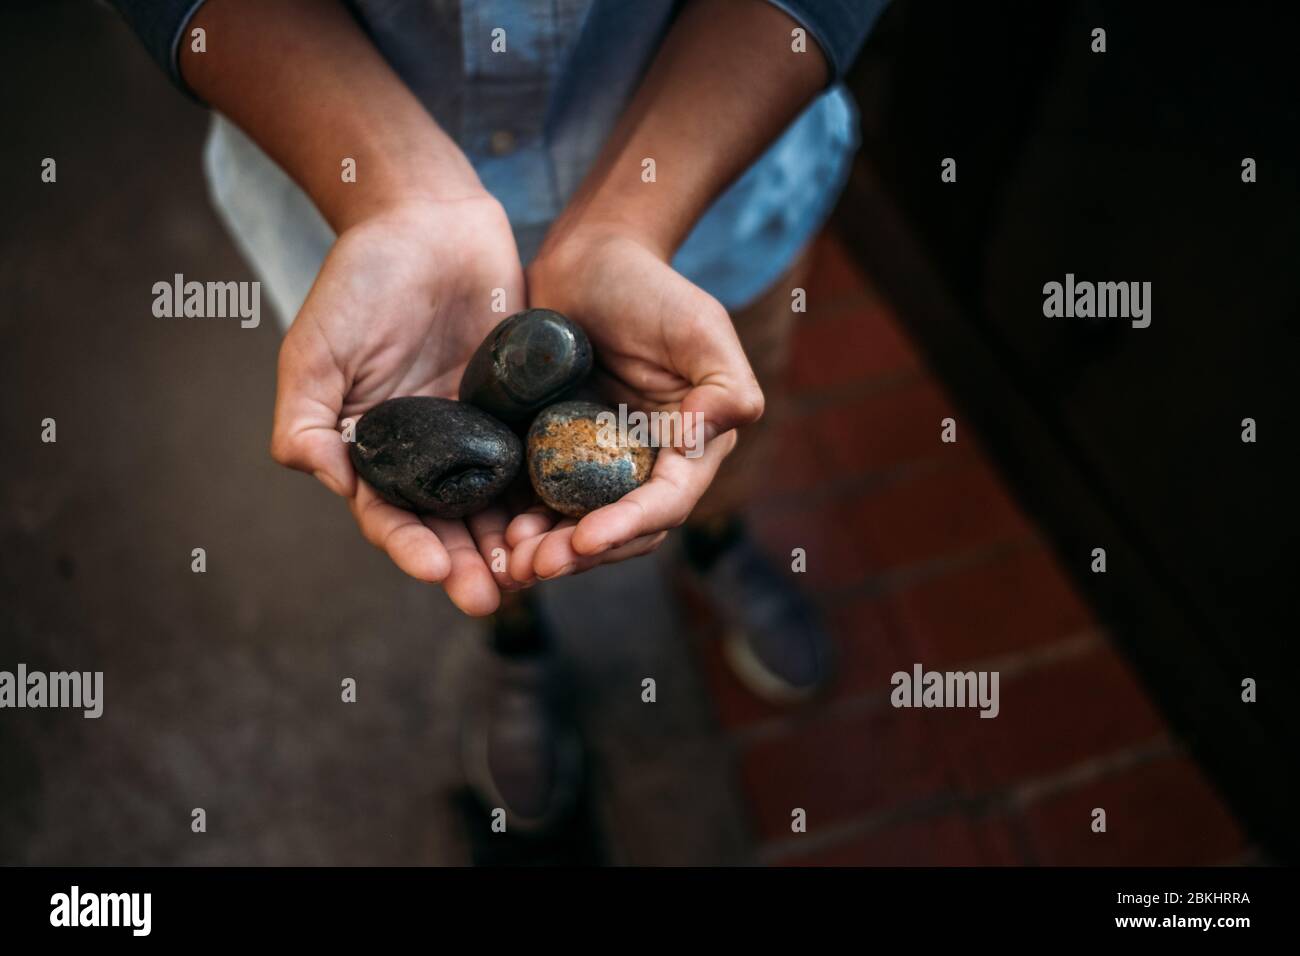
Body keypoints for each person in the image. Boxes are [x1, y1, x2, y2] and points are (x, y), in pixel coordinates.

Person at [108, 0, 889, 829]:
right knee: (497, 553)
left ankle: (717, 541)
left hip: (711, 206)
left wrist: (628, 223)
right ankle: (517, 639)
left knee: (715, 422)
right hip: (358, 226)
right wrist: (397, 192)